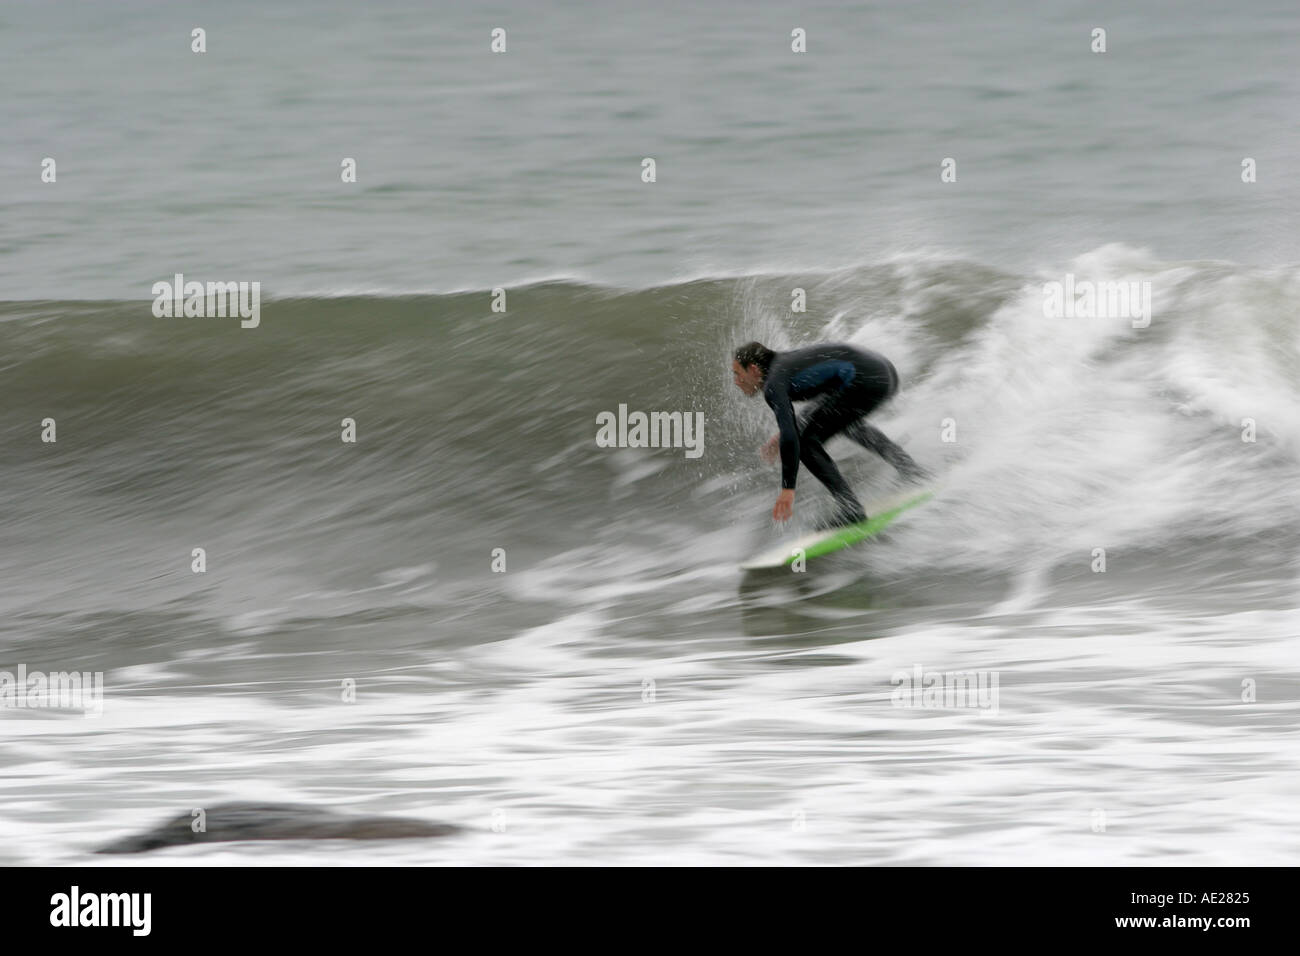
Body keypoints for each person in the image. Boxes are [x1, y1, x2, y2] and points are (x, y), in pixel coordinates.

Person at [731, 341, 928, 525]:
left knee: (805, 444)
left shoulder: (773, 384)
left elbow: (792, 438)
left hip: (867, 380)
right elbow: (825, 401)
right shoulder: (786, 364)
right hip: (883, 372)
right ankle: (909, 469)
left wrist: (787, 489)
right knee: (843, 422)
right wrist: (787, 432)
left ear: (754, 370)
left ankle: (850, 508)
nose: (737, 382)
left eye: (738, 374)